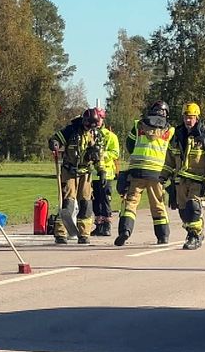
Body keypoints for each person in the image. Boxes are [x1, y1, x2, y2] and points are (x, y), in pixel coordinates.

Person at [114, 101, 175, 246]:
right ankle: (163, 236)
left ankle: (125, 231)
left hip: (137, 170)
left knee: (131, 202)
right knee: (158, 205)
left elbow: (129, 144)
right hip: (157, 173)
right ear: (165, 113)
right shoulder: (169, 130)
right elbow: (173, 153)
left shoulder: (139, 124)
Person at [166, 102, 205, 250]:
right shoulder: (177, 134)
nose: (187, 121)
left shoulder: (204, 134)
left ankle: (195, 236)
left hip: (198, 181)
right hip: (180, 183)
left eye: (190, 117)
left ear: (197, 117)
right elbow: (169, 157)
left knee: (193, 208)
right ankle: (193, 232)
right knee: (183, 212)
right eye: (185, 117)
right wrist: (163, 176)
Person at [48, 108, 105, 244]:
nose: (89, 129)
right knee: (68, 202)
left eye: (93, 126)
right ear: (84, 122)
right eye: (87, 125)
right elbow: (56, 139)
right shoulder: (71, 130)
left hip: (86, 172)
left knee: (86, 203)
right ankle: (61, 233)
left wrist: (101, 171)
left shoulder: (97, 135)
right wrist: (54, 144)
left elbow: (99, 156)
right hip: (70, 171)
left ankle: (84, 234)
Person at [89, 107, 121, 236]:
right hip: (93, 173)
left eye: (100, 118)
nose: (97, 121)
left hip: (106, 173)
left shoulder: (110, 136)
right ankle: (98, 225)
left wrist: (101, 154)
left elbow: (115, 152)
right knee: (95, 201)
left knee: (105, 200)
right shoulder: (89, 134)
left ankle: (107, 225)